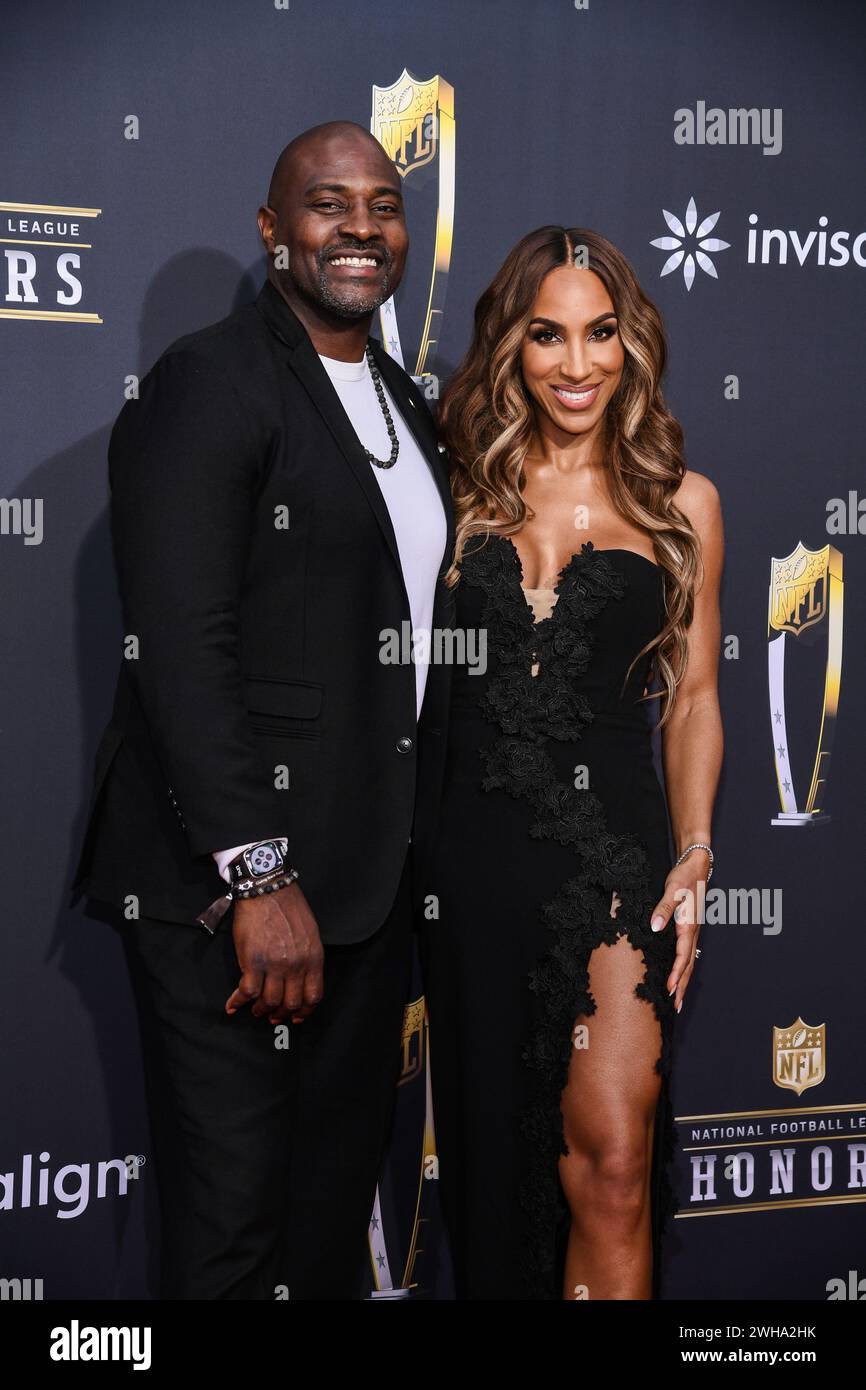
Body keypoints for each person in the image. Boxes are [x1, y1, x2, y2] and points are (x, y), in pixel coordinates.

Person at [71, 120, 453, 1299]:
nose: (360, 230)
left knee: (325, 1216)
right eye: (327, 204)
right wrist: (255, 871)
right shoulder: (210, 379)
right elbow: (182, 646)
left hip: (364, 887)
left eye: (383, 207)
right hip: (235, 897)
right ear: (272, 229)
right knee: (235, 1232)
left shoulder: (400, 397)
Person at [419, 226, 723, 1300]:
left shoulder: (679, 503)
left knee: (610, 1166)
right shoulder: (447, 494)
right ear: (511, 346)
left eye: (599, 334)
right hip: (467, 864)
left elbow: (689, 700)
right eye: (546, 336)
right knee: (496, 1171)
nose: (577, 363)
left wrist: (691, 852)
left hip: (611, 865)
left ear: (631, 343)